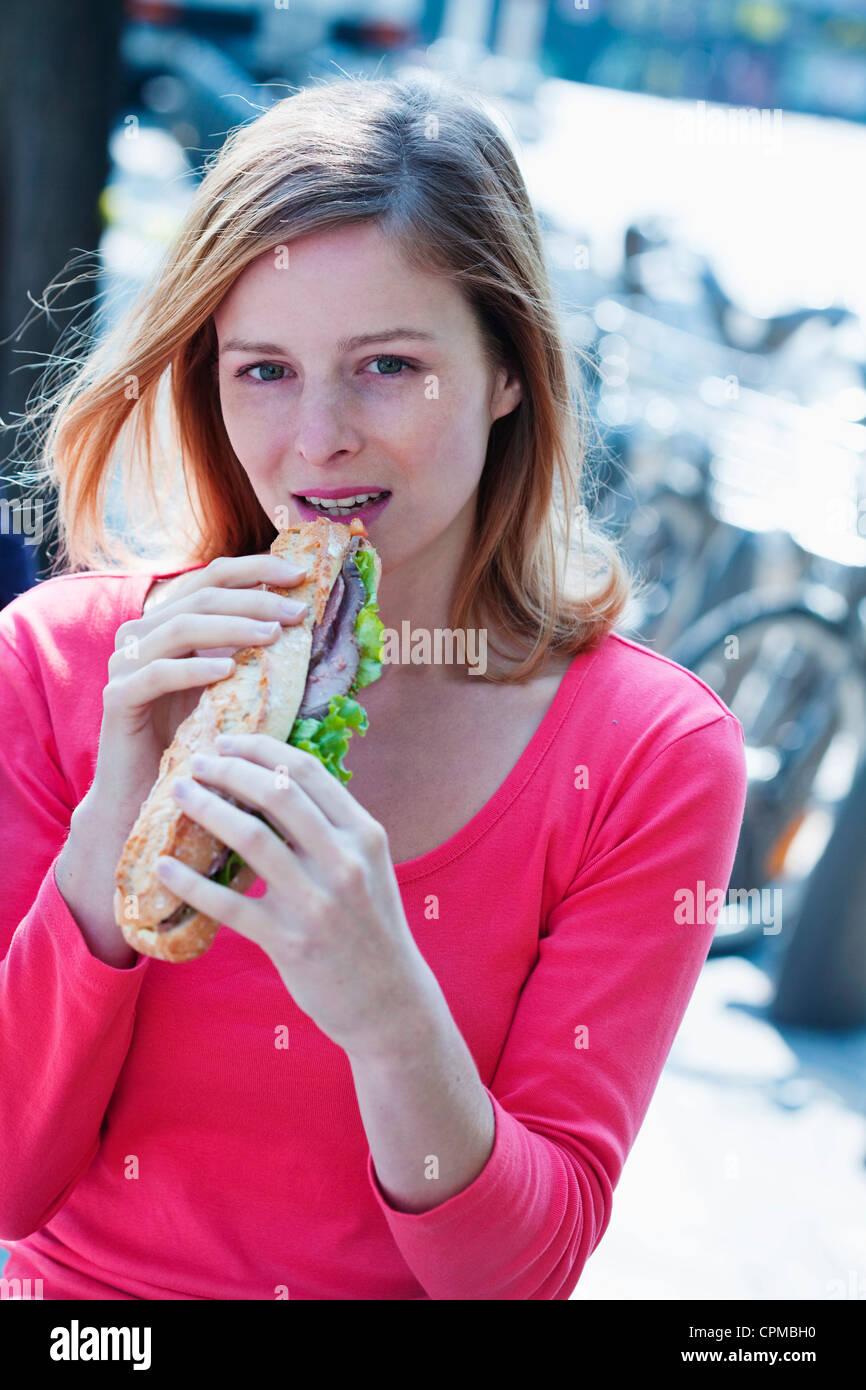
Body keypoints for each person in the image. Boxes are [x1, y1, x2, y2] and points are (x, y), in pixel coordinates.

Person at [0, 75, 746, 1301]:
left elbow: (518, 1273)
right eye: (264, 371)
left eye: (387, 365)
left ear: (508, 370)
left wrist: (385, 1006)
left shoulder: (647, 751)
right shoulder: (57, 661)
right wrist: (109, 835)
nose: (318, 437)